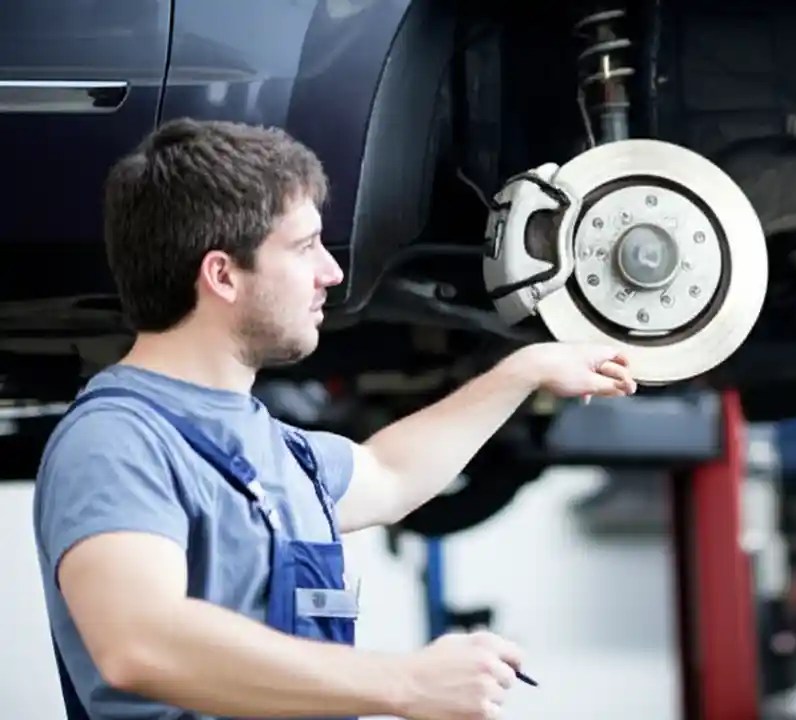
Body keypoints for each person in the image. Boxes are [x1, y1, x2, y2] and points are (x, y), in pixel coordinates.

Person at [32, 118, 637, 720]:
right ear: (221, 274)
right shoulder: (117, 441)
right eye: (304, 248)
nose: (332, 272)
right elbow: (140, 644)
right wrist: (404, 682)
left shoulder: (276, 449)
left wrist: (523, 371)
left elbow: (392, 473)